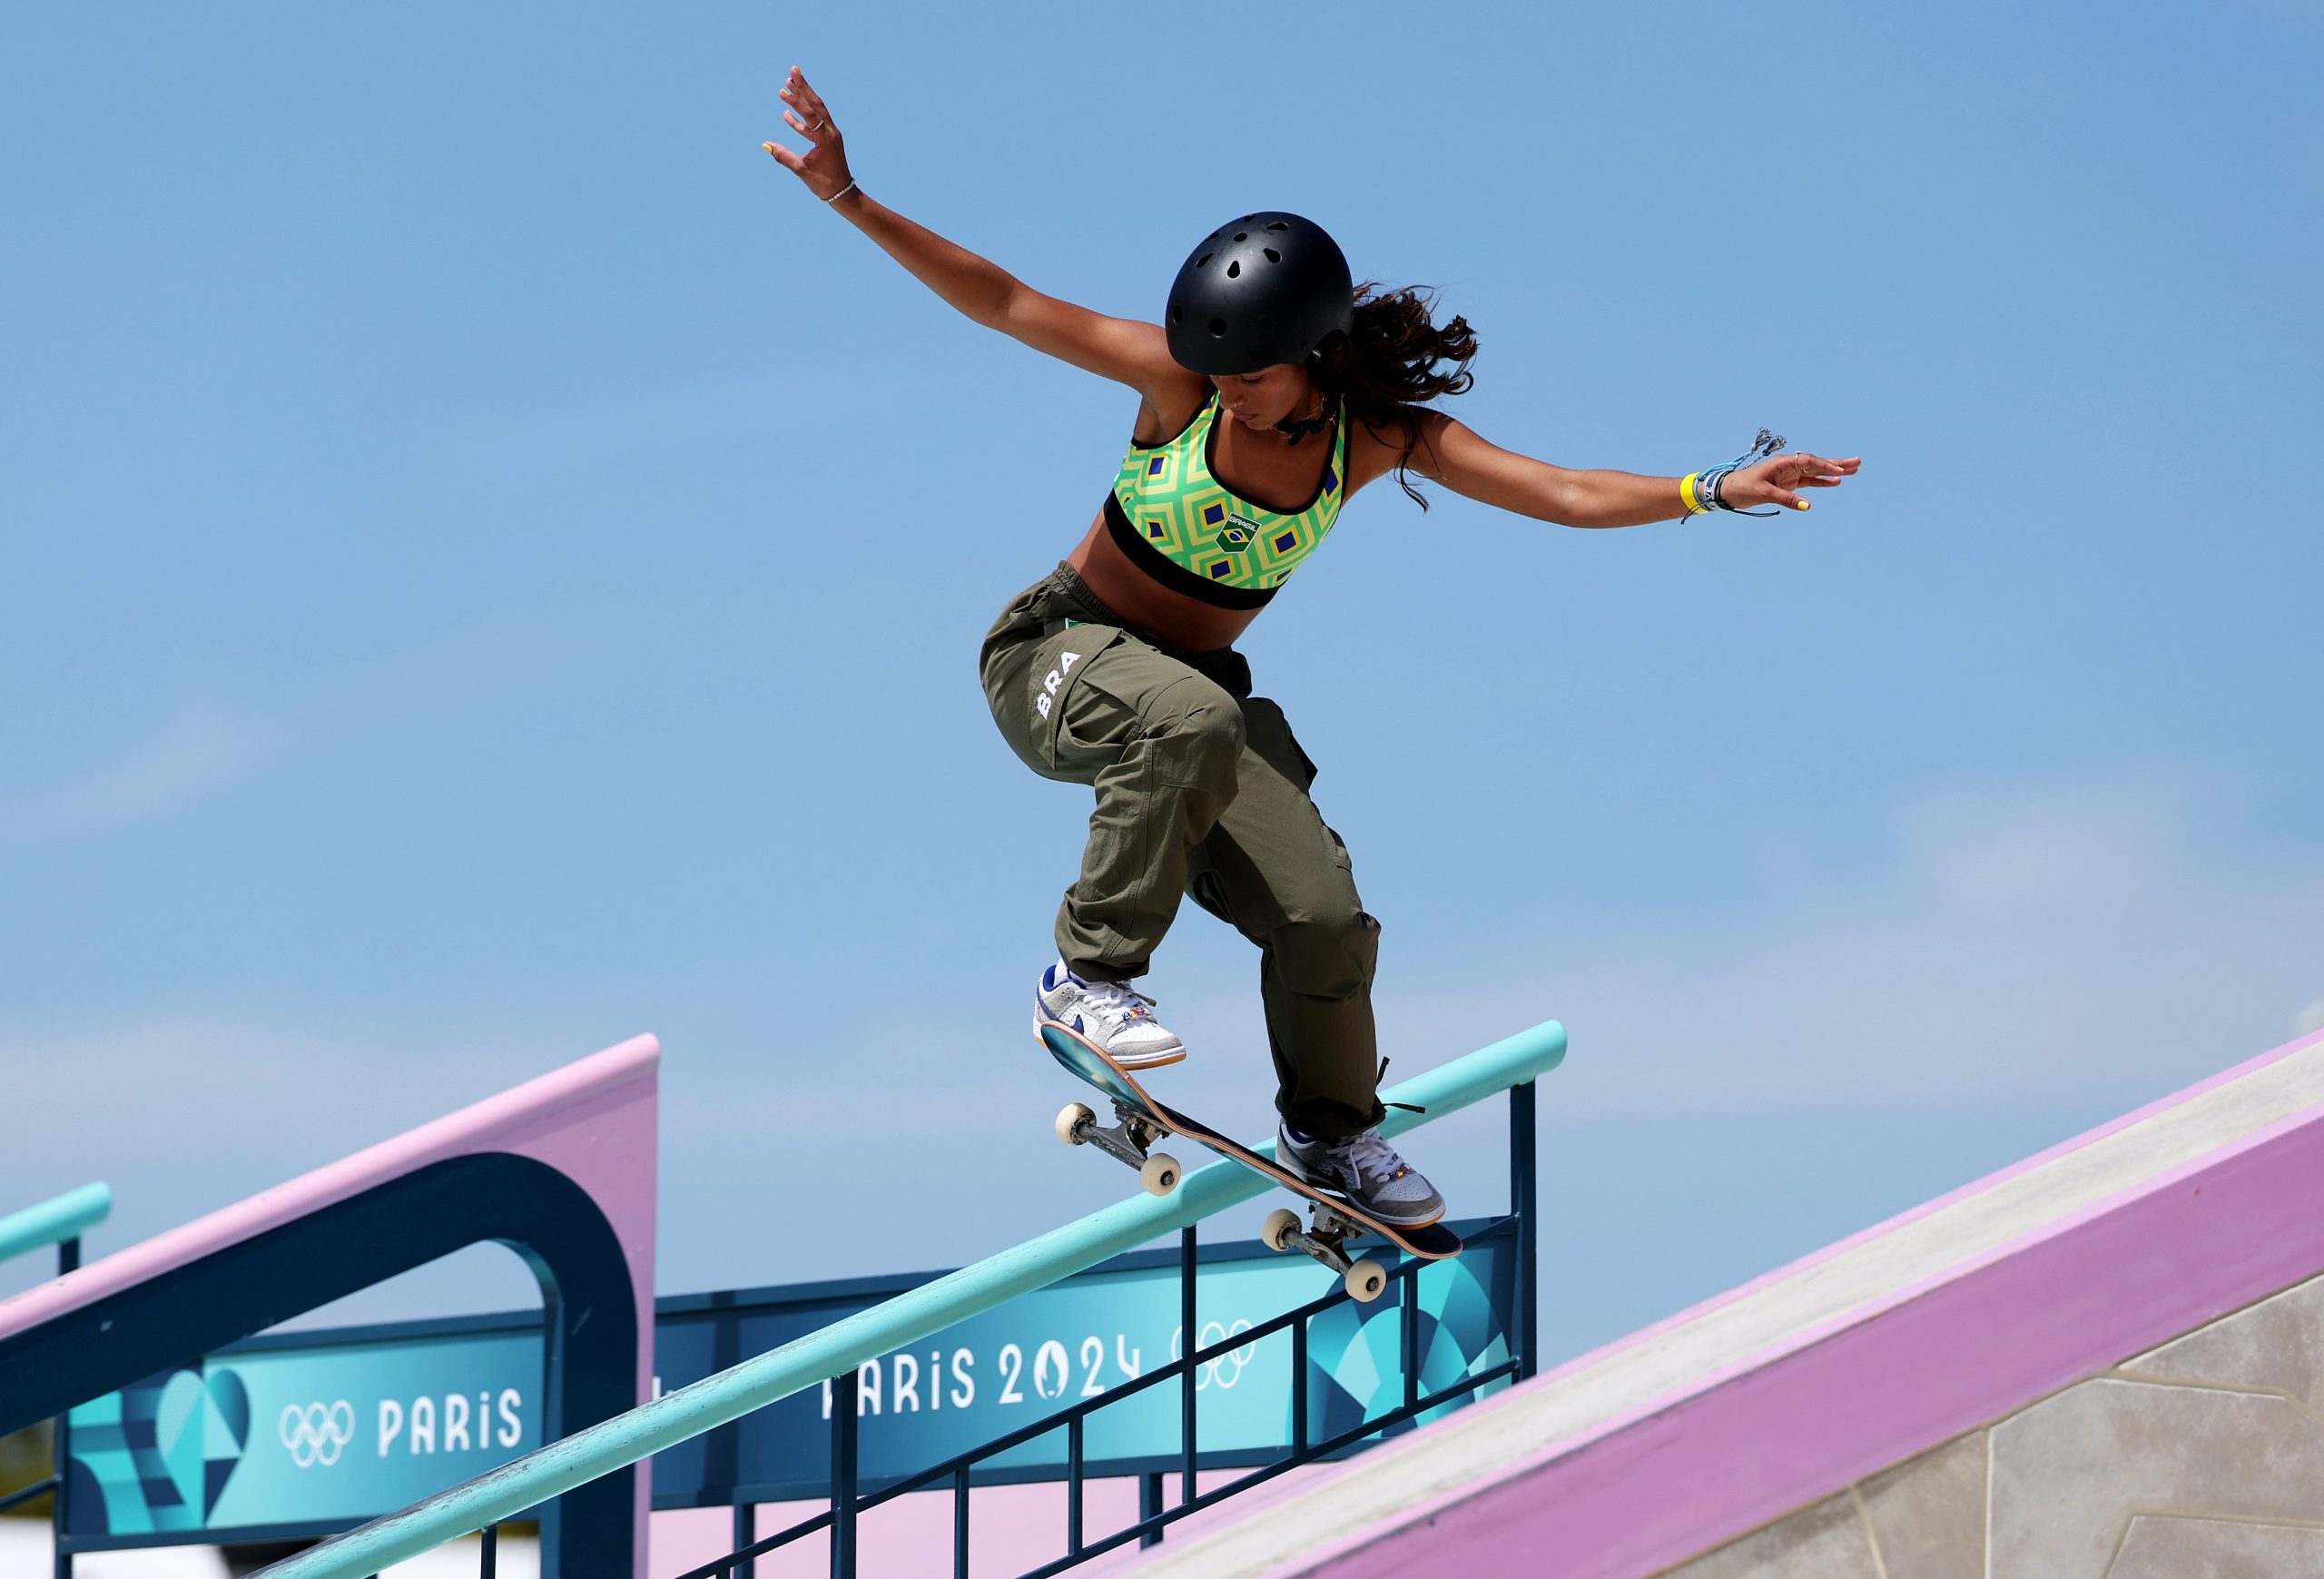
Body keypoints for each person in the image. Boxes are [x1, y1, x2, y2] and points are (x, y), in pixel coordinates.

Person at [764, 66, 1857, 1226]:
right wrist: (852, 198)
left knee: (1323, 913)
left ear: (1316, 356)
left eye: (1251, 377)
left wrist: (1710, 486)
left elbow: (1564, 490)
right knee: (1192, 716)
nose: (1227, 397)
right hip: (1055, 656)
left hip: (1194, 699)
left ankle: (1335, 1137)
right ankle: (1087, 977)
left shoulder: (1378, 438)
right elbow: (1004, 300)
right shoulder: (1174, 386)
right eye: (1218, 375)